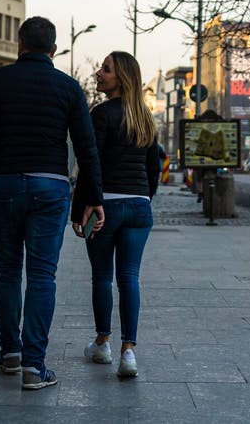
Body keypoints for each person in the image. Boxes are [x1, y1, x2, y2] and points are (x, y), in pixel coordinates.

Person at [0, 16, 104, 391]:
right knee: (43, 274)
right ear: (54, 50)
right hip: (51, 185)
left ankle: (10, 351)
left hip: (6, 184)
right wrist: (92, 199)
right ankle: (34, 367)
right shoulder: (69, 87)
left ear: (19, 45)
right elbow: (87, 149)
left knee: (7, 269)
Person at [71, 50, 159, 378]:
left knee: (102, 277)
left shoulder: (102, 114)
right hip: (138, 206)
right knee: (130, 278)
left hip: (105, 203)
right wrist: (142, 198)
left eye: (105, 69)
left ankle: (103, 344)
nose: (99, 73)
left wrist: (80, 209)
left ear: (121, 78)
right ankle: (129, 353)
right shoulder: (146, 117)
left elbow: (90, 164)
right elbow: (154, 168)